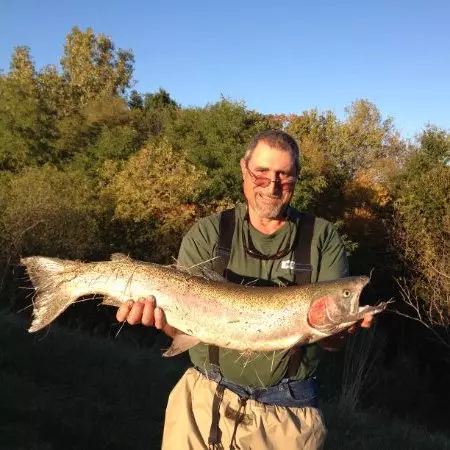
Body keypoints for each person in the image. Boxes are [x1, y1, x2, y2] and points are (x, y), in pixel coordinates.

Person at [116, 130, 373, 449]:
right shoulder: (207, 232)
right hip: (201, 401)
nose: (272, 185)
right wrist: (155, 317)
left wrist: (342, 330)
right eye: (261, 173)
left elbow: (331, 343)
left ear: (296, 178)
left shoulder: (323, 238)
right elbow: (180, 326)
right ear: (244, 169)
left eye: (284, 175)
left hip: (288, 415)